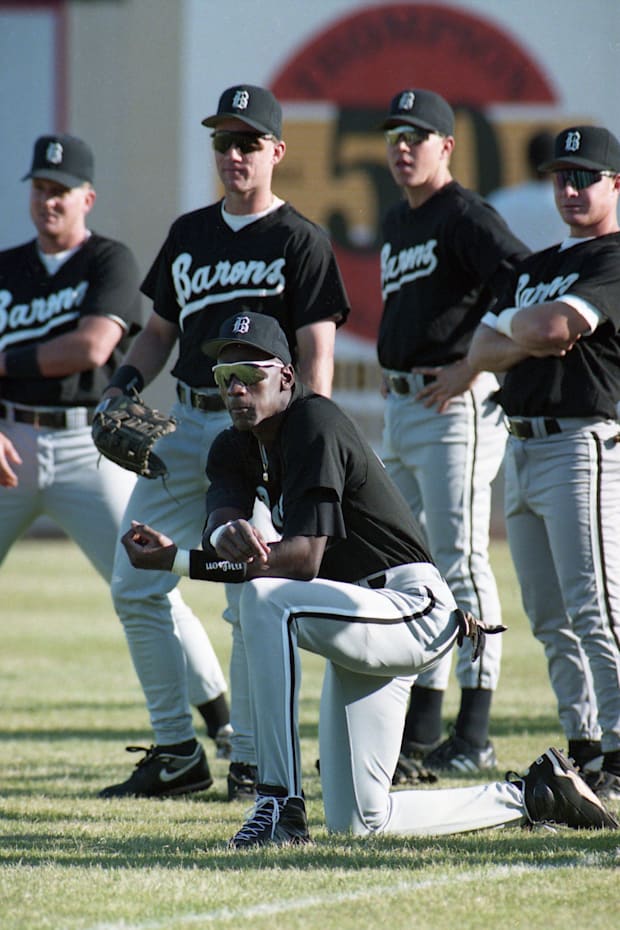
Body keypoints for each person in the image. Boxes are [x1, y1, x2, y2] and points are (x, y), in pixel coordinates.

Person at [120, 310, 618, 847]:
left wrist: (180, 560)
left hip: (412, 607)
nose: (236, 388)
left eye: (251, 375)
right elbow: (222, 517)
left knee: (264, 597)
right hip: (360, 615)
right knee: (360, 821)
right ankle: (537, 794)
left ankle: (278, 803)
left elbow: (302, 561)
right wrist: (220, 537)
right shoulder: (231, 446)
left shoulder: (314, 421)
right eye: (224, 378)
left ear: (287, 376)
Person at [99, 85, 349, 799]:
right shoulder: (189, 234)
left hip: (263, 432)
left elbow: (316, 349)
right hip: (185, 425)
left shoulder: (299, 239)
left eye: (247, 142)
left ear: (276, 150)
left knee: (250, 595)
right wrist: (121, 387)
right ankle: (177, 754)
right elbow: (157, 333)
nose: (233, 154)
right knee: (134, 582)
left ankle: (248, 760)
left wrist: (311, 433)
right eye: (222, 142)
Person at [376, 89, 530, 774]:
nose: (403, 146)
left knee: (462, 560)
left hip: (453, 406)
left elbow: (524, 282)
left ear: (448, 146)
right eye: (395, 135)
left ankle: (474, 732)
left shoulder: (465, 214)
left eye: (419, 135)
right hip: (403, 406)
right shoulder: (400, 220)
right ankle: (420, 730)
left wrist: (473, 366)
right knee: (412, 563)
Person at [467, 124, 620, 802]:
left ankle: (619, 749)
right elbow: (480, 350)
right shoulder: (533, 266)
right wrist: (523, 331)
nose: (570, 187)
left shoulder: (613, 256)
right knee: (549, 615)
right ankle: (586, 745)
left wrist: (520, 330)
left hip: (583, 442)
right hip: (523, 446)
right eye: (561, 175)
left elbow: (554, 329)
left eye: (585, 175)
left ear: (616, 184)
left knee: (599, 609)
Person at [0, 132, 141, 622]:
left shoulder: (109, 260)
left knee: (143, 587)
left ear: (87, 198)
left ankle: (214, 704)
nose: (47, 200)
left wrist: (3, 361)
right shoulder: (5, 268)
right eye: (39, 187)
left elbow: (91, 346)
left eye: (59, 189)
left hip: (90, 446)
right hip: (9, 439)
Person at [487, 129, 568, 251]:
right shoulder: (570, 204)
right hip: (559, 268)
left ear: (528, 159)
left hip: (515, 268)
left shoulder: (499, 201)